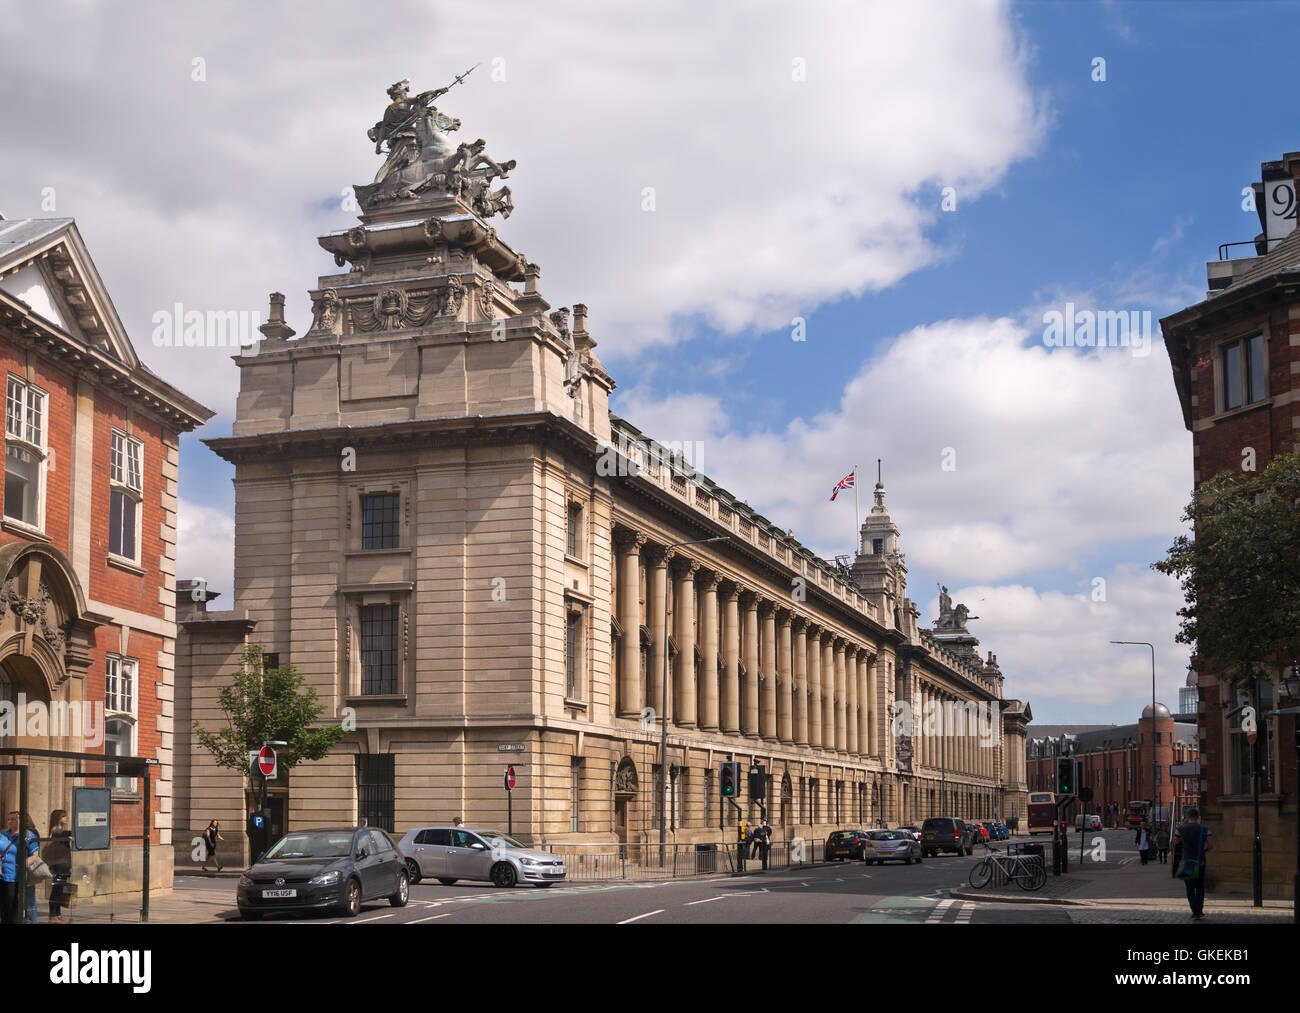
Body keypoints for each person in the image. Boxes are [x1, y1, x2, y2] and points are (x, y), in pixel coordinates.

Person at [0, 810, 40, 924]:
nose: (10, 822)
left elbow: (35, 855)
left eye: (13, 819)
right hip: (2, 874)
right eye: (8, 819)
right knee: (4, 906)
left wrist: (27, 862)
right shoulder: (3, 834)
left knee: (13, 906)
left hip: (16, 876)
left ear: (20, 821)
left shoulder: (28, 836)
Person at [1175, 808, 1210, 919]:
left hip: (1186, 862)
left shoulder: (1180, 829)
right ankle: (1199, 910)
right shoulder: (1204, 829)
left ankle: (1194, 911)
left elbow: (1175, 842)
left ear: (1187, 816)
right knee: (1200, 887)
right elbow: (1210, 845)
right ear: (1198, 816)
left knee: (1189, 888)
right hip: (1200, 862)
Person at [45, 810, 72, 924]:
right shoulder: (56, 831)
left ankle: (58, 915)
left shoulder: (60, 831)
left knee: (59, 891)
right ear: (57, 818)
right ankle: (52, 916)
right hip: (59, 865)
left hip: (63, 864)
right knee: (56, 890)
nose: (66, 818)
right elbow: (69, 833)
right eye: (63, 816)